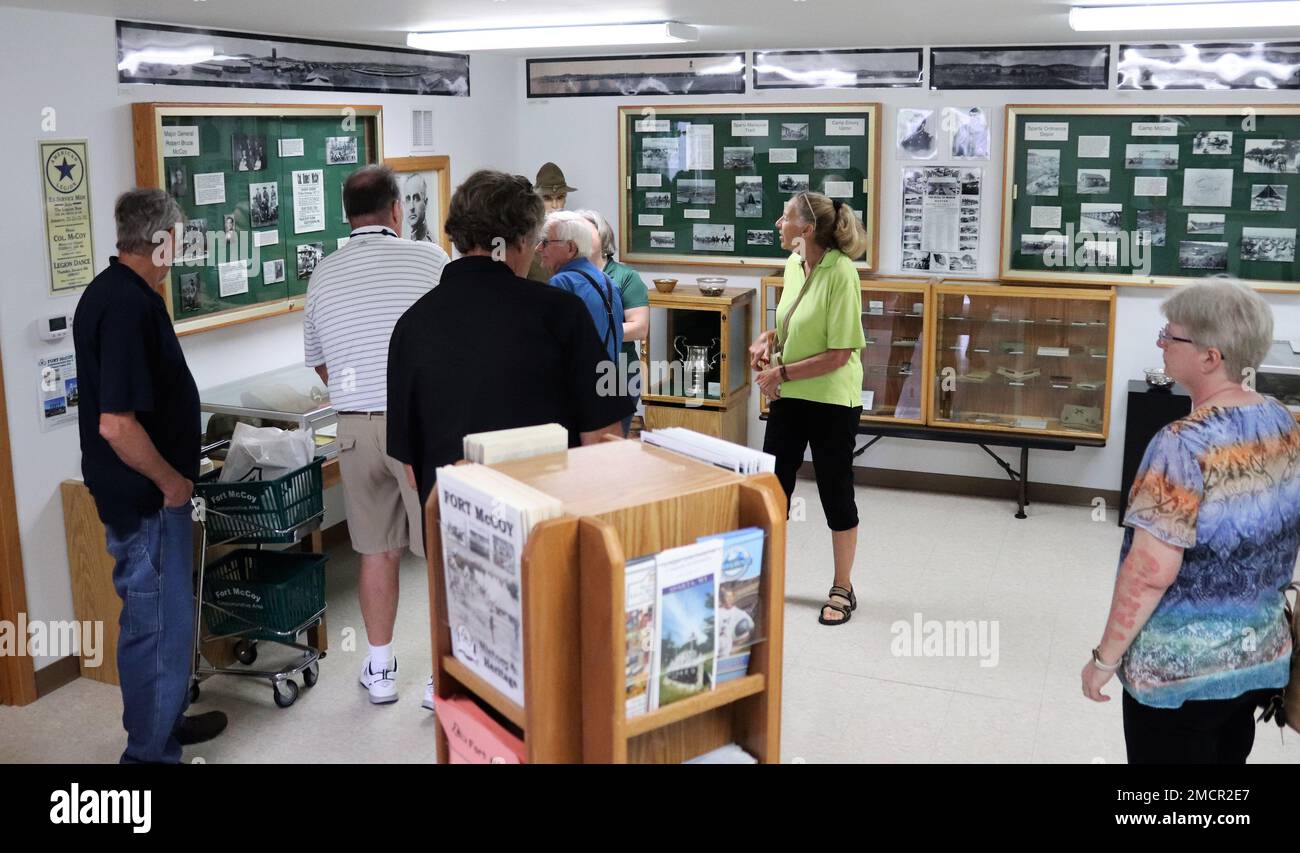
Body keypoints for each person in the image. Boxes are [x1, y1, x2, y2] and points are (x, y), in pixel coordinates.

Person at [1082, 279, 1300, 764]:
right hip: (1256, 660)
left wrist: (1105, 659)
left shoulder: (1180, 444)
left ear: (1210, 357)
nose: (1160, 342)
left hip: (1181, 673)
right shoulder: (1284, 421)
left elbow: (1150, 570)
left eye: (1171, 335)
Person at [72, 188, 227, 763]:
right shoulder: (126, 306)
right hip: (145, 498)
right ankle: (146, 759)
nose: (180, 249)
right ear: (161, 240)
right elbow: (117, 424)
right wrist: (172, 483)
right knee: (156, 628)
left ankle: (162, 727)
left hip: (143, 494)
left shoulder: (125, 292)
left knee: (161, 622)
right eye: (179, 238)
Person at [387, 168, 624, 512]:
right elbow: (605, 442)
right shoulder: (562, 313)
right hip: (548, 532)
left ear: (456, 236)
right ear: (524, 240)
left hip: (455, 539)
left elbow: (411, 470)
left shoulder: (410, 326)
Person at [303, 164, 449, 708]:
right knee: (438, 552)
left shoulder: (325, 272)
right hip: (419, 426)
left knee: (374, 553)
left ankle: (381, 670)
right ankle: (441, 678)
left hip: (354, 429)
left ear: (346, 216)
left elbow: (320, 364)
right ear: (396, 210)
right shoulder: (431, 259)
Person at [748, 191, 868, 627]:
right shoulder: (794, 266)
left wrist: (780, 375)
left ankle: (843, 586)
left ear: (807, 229)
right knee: (774, 490)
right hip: (791, 398)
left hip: (833, 400)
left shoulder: (843, 274)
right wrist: (768, 339)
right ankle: (765, 578)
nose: (778, 224)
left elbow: (839, 353)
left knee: (835, 491)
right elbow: (793, 325)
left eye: (785, 218)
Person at [577, 209, 648, 436]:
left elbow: (639, 327)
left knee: (612, 443)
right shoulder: (569, 276)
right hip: (580, 371)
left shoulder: (625, 276)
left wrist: (590, 331)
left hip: (619, 372)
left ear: (602, 236)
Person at [538, 210, 624, 368]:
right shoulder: (608, 281)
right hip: (607, 382)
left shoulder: (562, 282)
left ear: (570, 247)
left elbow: (549, 345)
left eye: (545, 242)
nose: (538, 248)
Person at [526, 162, 577, 283]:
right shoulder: (526, 235)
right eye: (547, 198)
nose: (555, 205)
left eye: (560, 197)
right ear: (537, 199)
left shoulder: (576, 235)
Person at [402, 173, 437, 244]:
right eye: (408, 199)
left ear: (425, 203)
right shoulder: (403, 240)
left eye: (416, 198)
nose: (411, 207)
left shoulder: (432, 244)